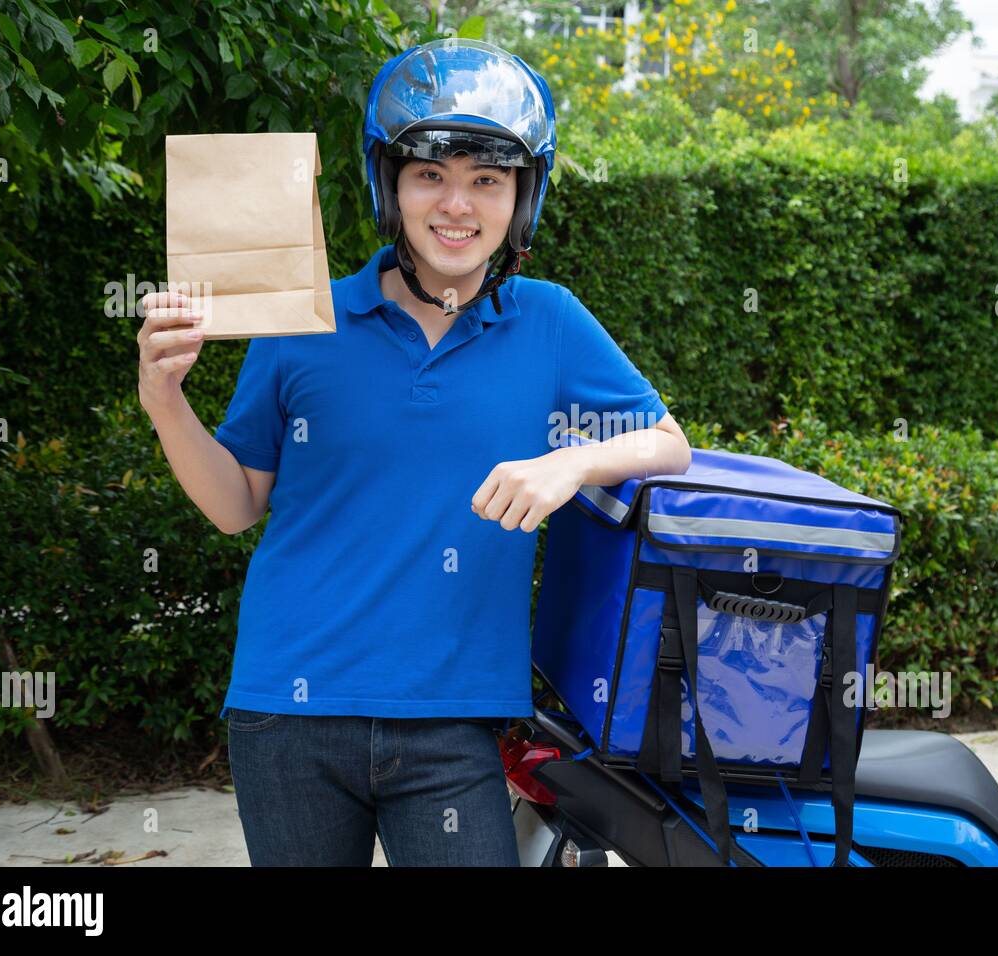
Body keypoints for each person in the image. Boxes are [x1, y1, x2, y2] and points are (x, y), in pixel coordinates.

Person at [135, 38, 690, 866]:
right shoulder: (306, 317)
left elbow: (668, 444)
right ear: (390, 185)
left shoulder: (550, 321)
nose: (457, 204)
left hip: (457, 723)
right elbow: (234, 505)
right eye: (431, 174)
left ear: (521, 197)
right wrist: (164, 400)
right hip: (288, 711)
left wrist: (568, 461)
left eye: (487, 180)